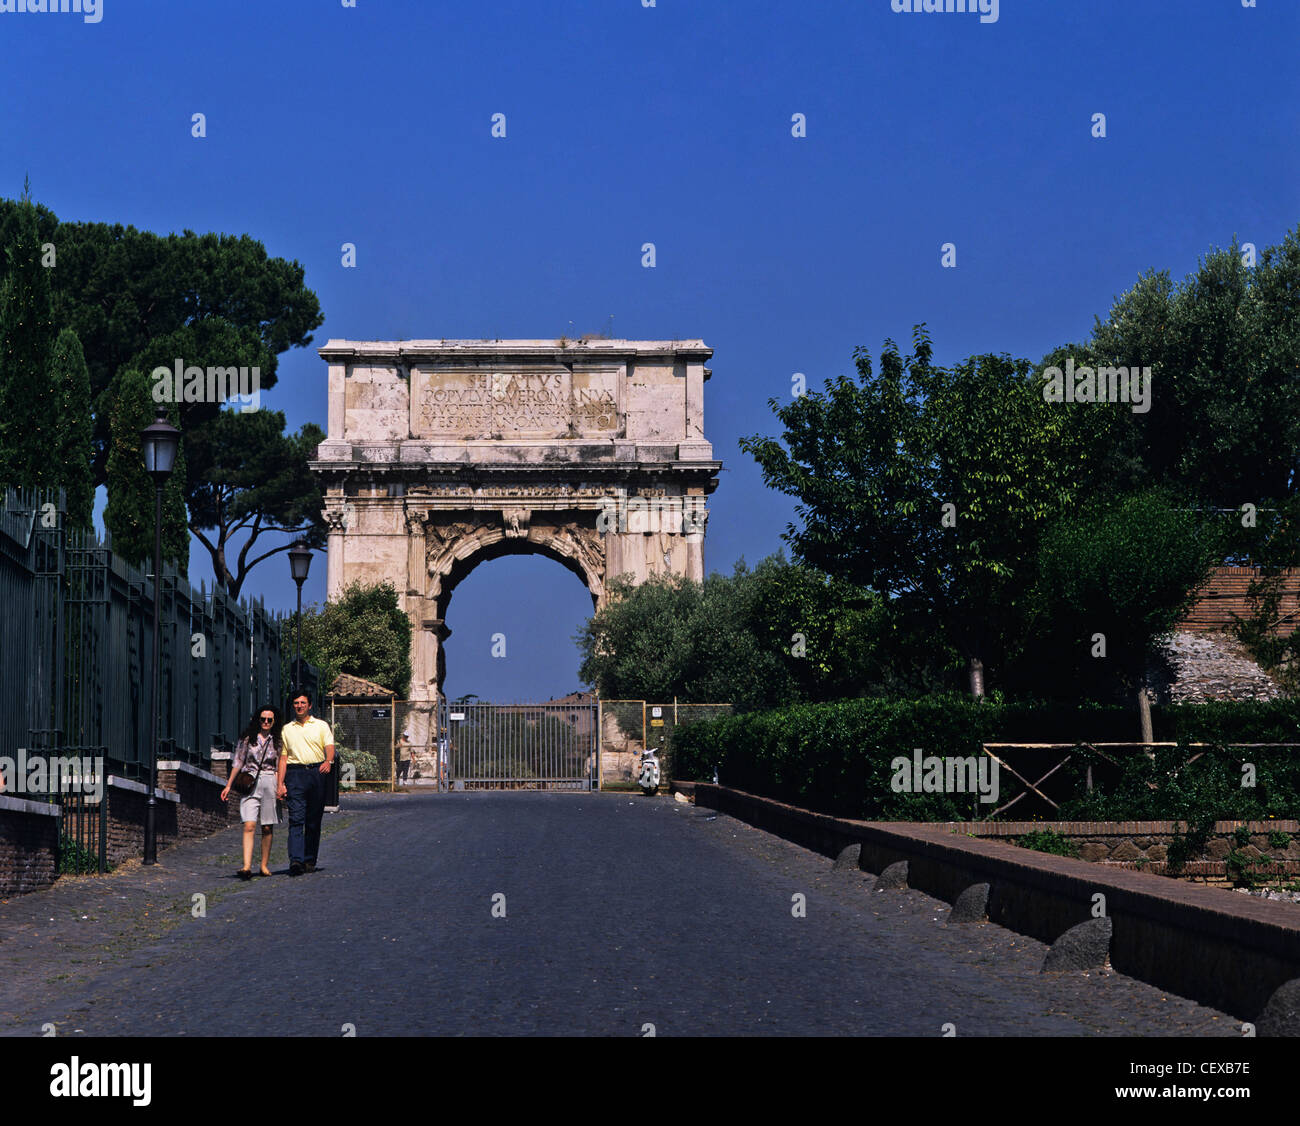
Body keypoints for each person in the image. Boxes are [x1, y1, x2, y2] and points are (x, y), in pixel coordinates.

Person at [276, 689, 335, 876]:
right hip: (295, 775)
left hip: (316, 773)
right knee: (296, 818)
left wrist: (328, 761)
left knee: (313, 820)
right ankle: (296, 860)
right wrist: (280, 784)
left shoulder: (321, 726)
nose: (299, 706)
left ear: (309, 705)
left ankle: (309, 859)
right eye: (296, 703)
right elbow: (283, 759)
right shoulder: (286, 729)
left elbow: (330, 747)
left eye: (302, 703)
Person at [221, 706, 283, 879]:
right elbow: (238, 762)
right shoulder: (247, 739)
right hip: (250, 781)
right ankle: (247, 865)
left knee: (267, 826)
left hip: (269, 780)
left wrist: (280, 786)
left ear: (274, 721)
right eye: (263, 719)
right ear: (257, 719)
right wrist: (228, 785)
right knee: (249, 824)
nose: (265, 722)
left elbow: (279, 766)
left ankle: (263, 865)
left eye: (269, 720)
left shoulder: (277, 741)